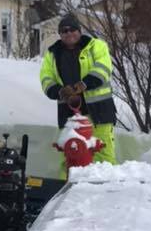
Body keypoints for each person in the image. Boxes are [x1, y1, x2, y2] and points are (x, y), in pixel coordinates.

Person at [39, 12, 117, 167]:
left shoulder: (96, 46)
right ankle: (69, 190)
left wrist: (84, 84)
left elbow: (103, 68)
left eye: (72, 29)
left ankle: (106, 187)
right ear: (60, 34)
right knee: (71, 155)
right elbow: (46, 78)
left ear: (79, 31)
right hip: (69, 115)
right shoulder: (52, 54)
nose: (69, 33)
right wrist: (60, 91)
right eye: (64, 31)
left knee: (103, 153)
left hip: (98, 112)